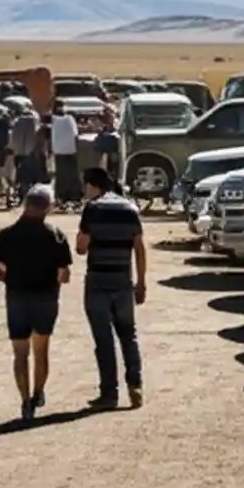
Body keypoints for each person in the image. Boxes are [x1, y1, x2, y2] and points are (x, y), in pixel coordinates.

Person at [0, 184, 73, 420]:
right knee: (41, 350)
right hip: (45, 297)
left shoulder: (6, 235)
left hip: (17, 297)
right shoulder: (55, 236)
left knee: (20, 353)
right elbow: (64, 274)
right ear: (47, 207)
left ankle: (25, 401)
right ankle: (38, 393)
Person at [77, 167, 146, 410]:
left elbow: (81, 247)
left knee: (104, 340)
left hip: (98, 281)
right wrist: (141, 282)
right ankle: (135, 385)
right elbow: (139, 249)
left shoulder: (92, 209)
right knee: (129, 335)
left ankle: (109, 393)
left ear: (93, 185)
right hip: (123, 281)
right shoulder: (130, 209)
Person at [50, 100, 81, 209]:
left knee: (61, 175)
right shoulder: (69, 119)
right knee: (70, 174)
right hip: (70, 150)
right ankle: (69, 196)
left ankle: (62, 196)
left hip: (60, 151)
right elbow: (75, 134)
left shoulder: (53, 120)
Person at [9, 105, 40, 202]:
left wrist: (13, 149)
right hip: (31, 154)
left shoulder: (17, 122)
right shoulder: (35, 122)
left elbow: (13, 138)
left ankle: (21, 194)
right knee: (33, 175)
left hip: (19, 153)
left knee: (21, 175)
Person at [92, 109, 121, 175]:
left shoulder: (114, 123)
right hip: (109, 145)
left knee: (111, 160)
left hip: (110, 145)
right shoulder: (106, 125)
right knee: (108, 160)